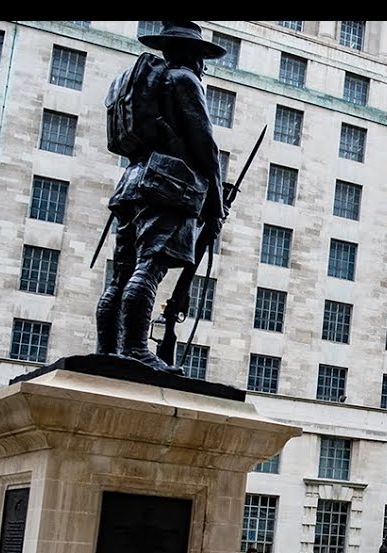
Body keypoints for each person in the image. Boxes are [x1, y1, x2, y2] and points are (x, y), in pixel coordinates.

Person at [95, 20, 226, 374]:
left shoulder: (152, 83)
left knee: (120, 275)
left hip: (133, 182)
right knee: (148, 269)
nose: (204, 65)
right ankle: (136, 349)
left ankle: (108, 349)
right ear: (190, 54)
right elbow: (205, 145)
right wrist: (215, 201)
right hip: (168, 185)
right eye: (201, 56)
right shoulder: (184, 80)